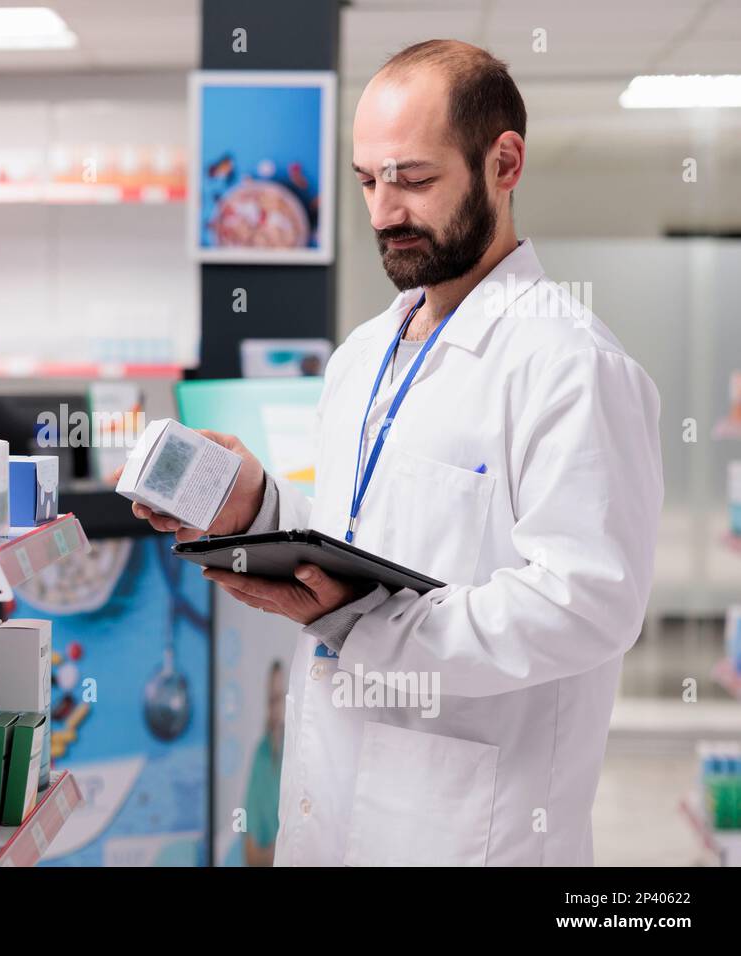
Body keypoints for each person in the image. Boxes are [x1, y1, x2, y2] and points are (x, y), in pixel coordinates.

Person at [129, 40, 663, 866]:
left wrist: (362, 620)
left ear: (504, 162)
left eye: (413, 179)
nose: (383, 211)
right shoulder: (364, 353)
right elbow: (364, 535)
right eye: (366, 181)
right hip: (335, 804)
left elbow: (589, 604)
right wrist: (262, 508)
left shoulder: (571, 364)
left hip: (471, 829)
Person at [242, 659, 285, 867]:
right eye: (271, 700)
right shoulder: (261, 753)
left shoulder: (299, 750)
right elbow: (245, 821)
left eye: (279, 698)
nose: (275, 707)